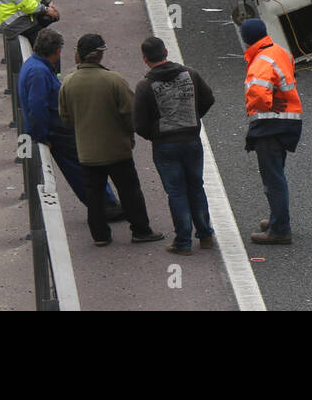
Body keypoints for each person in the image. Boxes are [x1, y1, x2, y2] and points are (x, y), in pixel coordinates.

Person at [58, 34, 164, 246]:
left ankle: (100, 236)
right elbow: (130, 114)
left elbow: (66, 119)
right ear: (100, 55)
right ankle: (140, 230)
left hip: (87, 152)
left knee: (94, 194)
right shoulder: (114, 80)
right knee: (129, 191)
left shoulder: (68, 83)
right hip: (117, 149)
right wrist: (129, 136)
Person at [19, 29, 120, 217]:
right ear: (57, 51)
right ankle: (106, 206)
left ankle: (105, 204)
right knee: (86, 167)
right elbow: (37, 106)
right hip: (59, 133)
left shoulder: (34, 65)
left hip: (55, 130)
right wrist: (42, 135)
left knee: (82, 168)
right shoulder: (39, 72)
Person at [134, 36, 216, 254]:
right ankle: (206, 234)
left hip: (165, 145)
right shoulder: (190, 74)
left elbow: (139, 124)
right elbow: (208, 99)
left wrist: (155, 135)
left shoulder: (145, 86)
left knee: (177, 192)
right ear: (166, 52)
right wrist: (193, 119)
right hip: (191, 140)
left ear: (145, 58)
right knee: (196, 186)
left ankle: (183, 242)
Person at [240, 17, 303, 245]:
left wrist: (266, 105)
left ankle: (279, 229)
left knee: (273, 180)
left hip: (270, 125)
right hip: (289, 121)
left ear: (246, 40)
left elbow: (258, 94)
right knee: (278, 174)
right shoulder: (279, 51)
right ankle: (277, 218)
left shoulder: (259, 63)